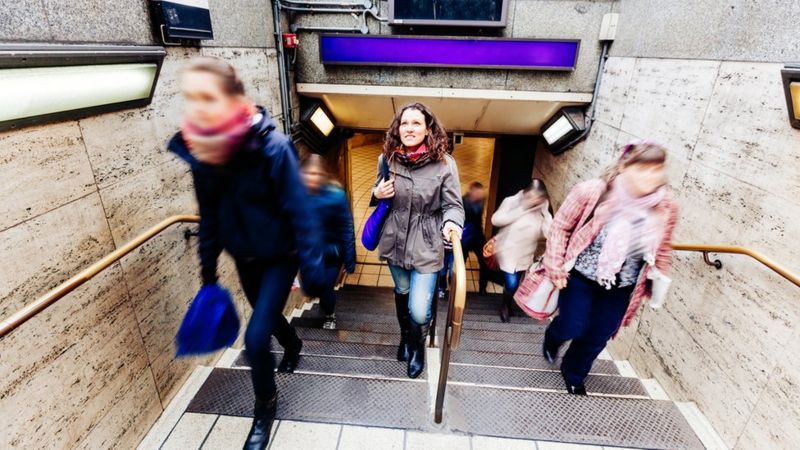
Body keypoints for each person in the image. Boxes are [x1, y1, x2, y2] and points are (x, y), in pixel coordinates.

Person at [169, 57, 325, 450]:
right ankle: (293, 344)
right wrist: (208, 274)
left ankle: (264, 407)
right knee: (268, 322)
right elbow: (210, 218)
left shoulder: (273, 146)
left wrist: (312, 269)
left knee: (254, 339)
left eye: (209, 96)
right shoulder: (203, 152)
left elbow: (299, 209)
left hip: (278, 257)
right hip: (244, 257)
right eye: (193, 98)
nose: (200, 106)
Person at [542, 141, 679, 395]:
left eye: (656, 170)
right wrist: (555, 266)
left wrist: (659, 276)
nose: (650, 176)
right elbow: (560, 226)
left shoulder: (665, 206)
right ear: (625, 167)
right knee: (573, 324)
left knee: (599, 334)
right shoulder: (593, 191)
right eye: (643, 169)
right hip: (581, 276)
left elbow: (662, 246)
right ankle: (554, 335)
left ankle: (573, 372)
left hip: (622, 284)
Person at [372, 102, 465, 379]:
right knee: (401, 292)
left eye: (416, 123)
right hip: (394, 239)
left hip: (426, 244)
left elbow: (454, 205)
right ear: (397, 129)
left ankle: (418, 348)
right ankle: (405, 337)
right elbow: (377, 190)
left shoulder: (445, 164)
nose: (409, 128)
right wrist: (377, 192)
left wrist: (452, 223)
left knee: (420, 309)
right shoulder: (387, 158)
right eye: (404, 123)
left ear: (427, 129)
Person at [301, 154, 356, 330]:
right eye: (308, 174)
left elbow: (346, 228)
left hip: (331, 252)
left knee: (326, 287)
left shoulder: (336, 196)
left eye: (316, 174)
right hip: (308, 252)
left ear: (324, 175)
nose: (312, 178)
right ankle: (324, 303)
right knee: (309, 289)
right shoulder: (297, 193)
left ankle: (329, 314)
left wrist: (349, 259)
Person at [491, 179, 552, 322]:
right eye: (532, 196)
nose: (535, 200)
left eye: (538, 197)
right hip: (508, 253)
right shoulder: (511, 201)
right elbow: (496, 220)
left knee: (516, 284)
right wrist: (523, 208)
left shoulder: (541, 210)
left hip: (526, 256)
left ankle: (508, 304)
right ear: (526, 193)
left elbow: (549, 234)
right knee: (511, 284)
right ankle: (505, 306)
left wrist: (545, 213)